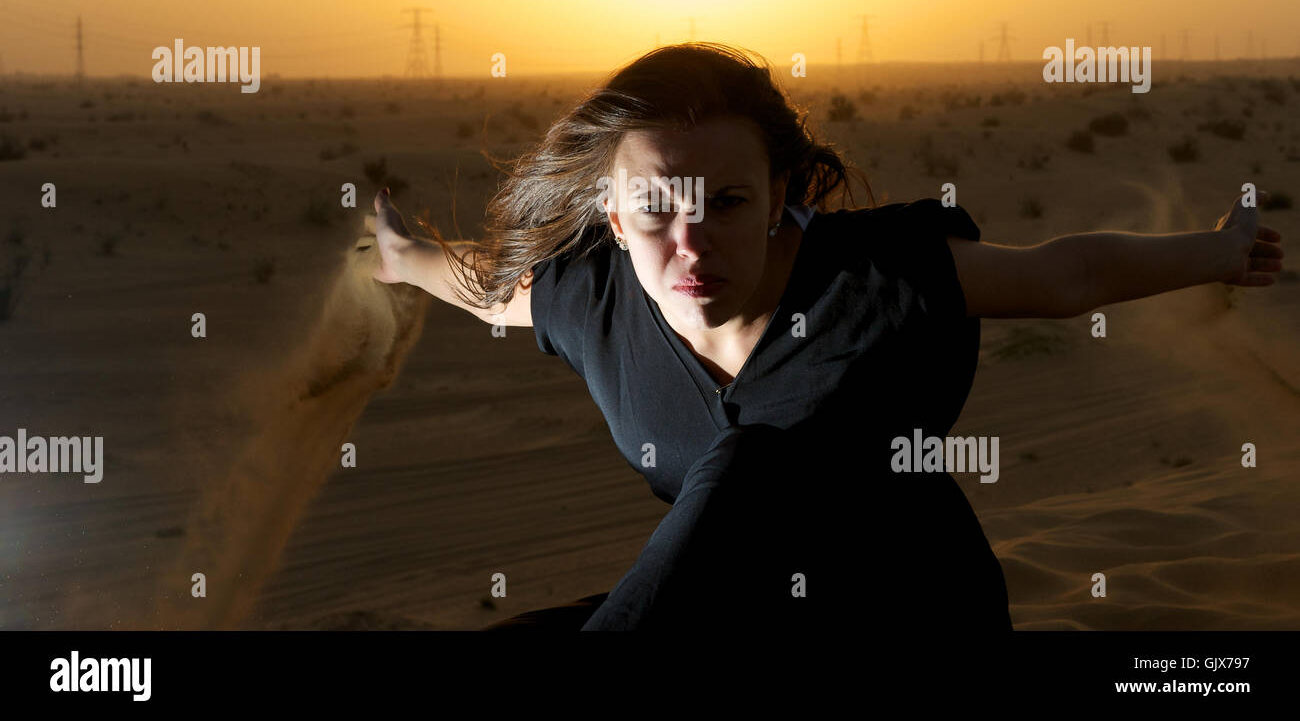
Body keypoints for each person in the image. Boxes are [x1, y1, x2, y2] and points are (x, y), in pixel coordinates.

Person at [363, 42, 1284, 631]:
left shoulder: (874, 277)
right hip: (734, 612)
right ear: (610, 213)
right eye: (654, 211)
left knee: (745, 468)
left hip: (911, 617)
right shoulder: (593, 294)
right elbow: (490, 291)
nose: (689, 244)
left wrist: (1219, 251)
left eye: (726, 202)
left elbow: (1064, 275)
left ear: (780, 195)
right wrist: (402, 256)